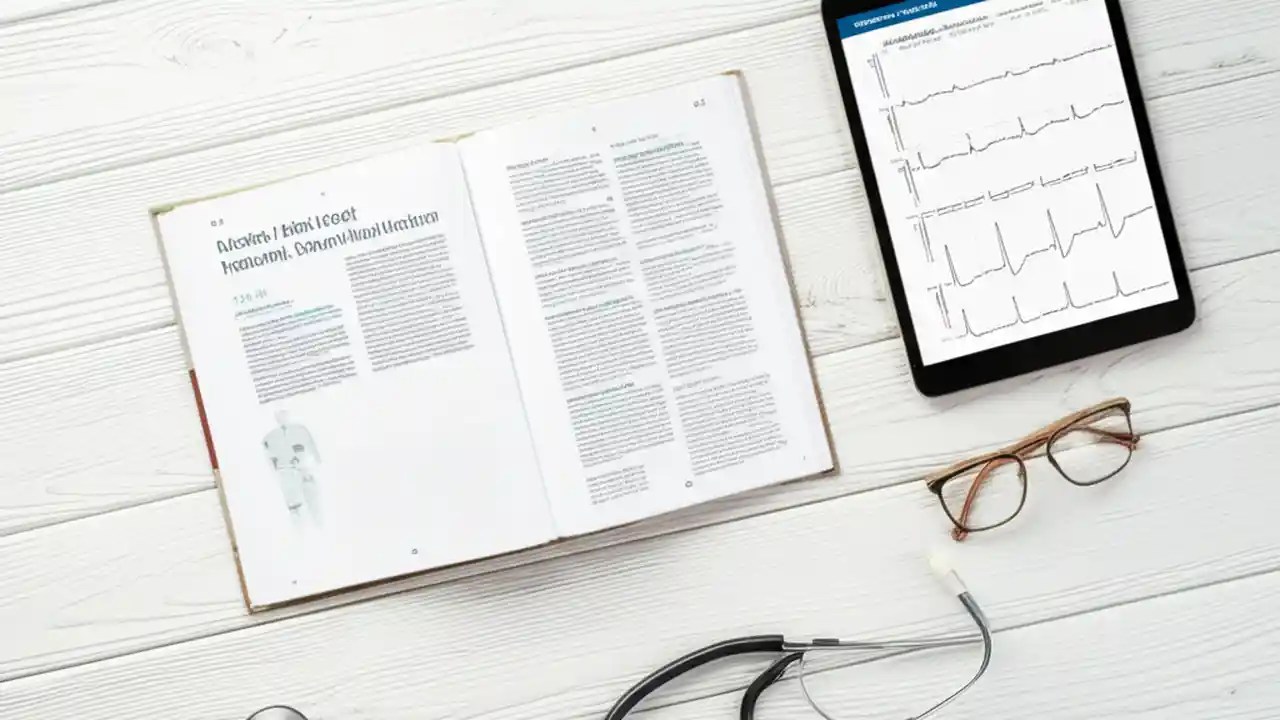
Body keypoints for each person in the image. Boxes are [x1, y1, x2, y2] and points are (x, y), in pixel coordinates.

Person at [262, 410, 322, 526]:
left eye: (283, 415)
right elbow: (269, 457)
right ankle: (301, 528)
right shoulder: (270, 437)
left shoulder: (300, 430)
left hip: (304, 468)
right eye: (279, 416)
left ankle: (319, 524)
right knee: (294, 506)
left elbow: (311, 446)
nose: (282, 419)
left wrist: (316, 459)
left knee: (313, 500)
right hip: (287, 472)